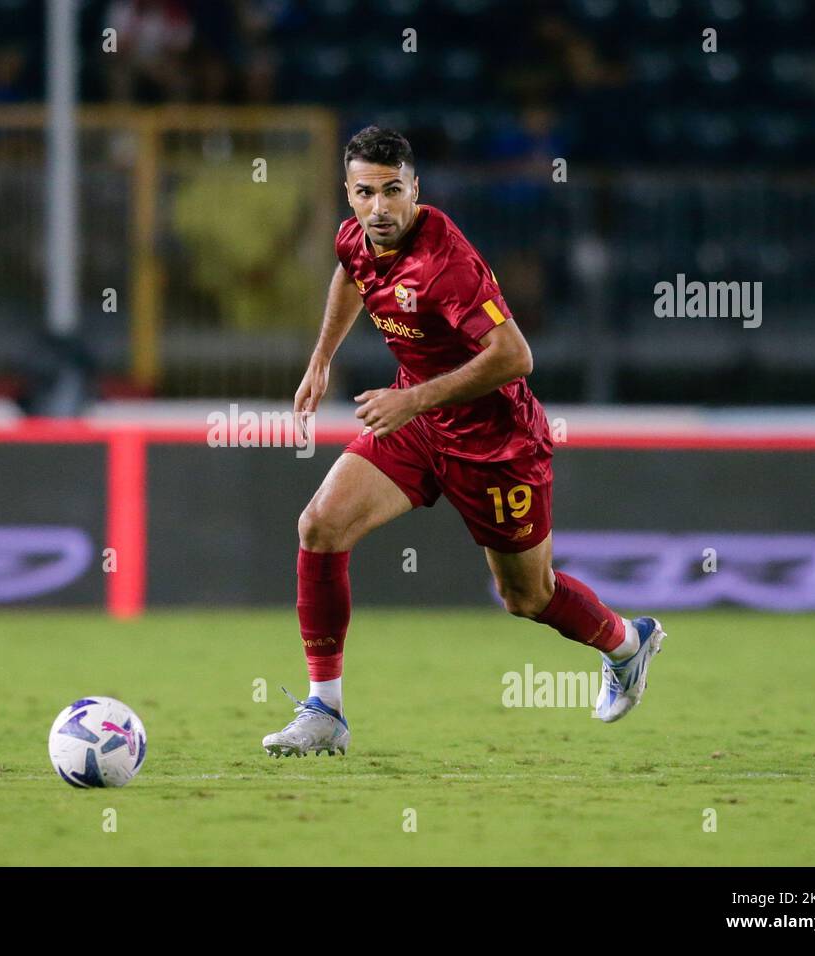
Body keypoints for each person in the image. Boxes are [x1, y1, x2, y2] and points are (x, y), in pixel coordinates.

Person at [262, 127, 666, 757]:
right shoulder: (359, 235)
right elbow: (350, 273)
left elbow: (515, 356)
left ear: (415, 190)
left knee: (526, 597)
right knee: (319, 526)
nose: (379, 208)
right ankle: (326, 711)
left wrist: (412, 399)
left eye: (393, 191)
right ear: (349, 193)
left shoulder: (444, 264)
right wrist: (321, 358)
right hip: (419, 425)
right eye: (365, 193)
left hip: (496, 444)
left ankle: (626, 643)